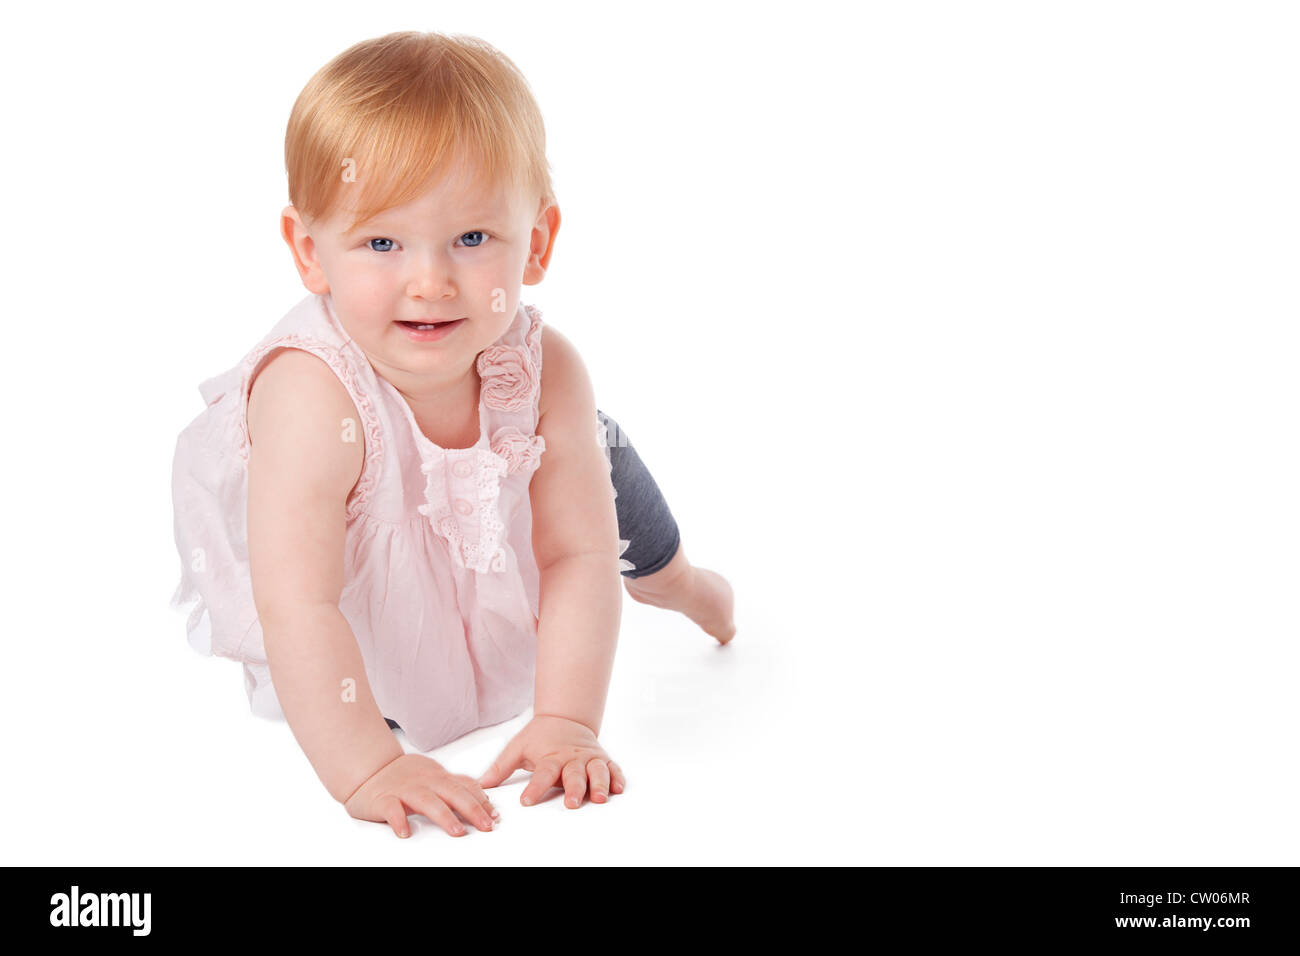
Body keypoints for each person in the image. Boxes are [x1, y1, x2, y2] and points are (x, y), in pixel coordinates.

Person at [169, 30, 735, 840]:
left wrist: (568, 721)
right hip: (375, 502)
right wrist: (367, 767)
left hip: (544, 461)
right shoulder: (308, 400)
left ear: (535, 243)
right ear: (309, 251)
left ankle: (697, 590)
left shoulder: (549, 377)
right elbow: (298, 602)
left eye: (472, 239)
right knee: (361, 641)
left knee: (645, 557)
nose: (429, 282)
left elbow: (576, 554)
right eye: (381, 243)